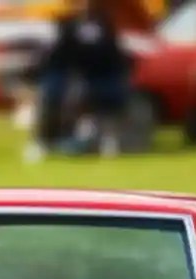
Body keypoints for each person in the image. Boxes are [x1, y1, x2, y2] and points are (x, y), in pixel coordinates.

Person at [26, 0, 130, 160]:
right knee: (53, 95)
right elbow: (59, 54)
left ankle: (104, 140)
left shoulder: (105, 24)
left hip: (98, 73)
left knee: (108, 95)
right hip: (67, 71)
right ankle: (43, 142)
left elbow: (113, 53)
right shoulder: (66, 24)